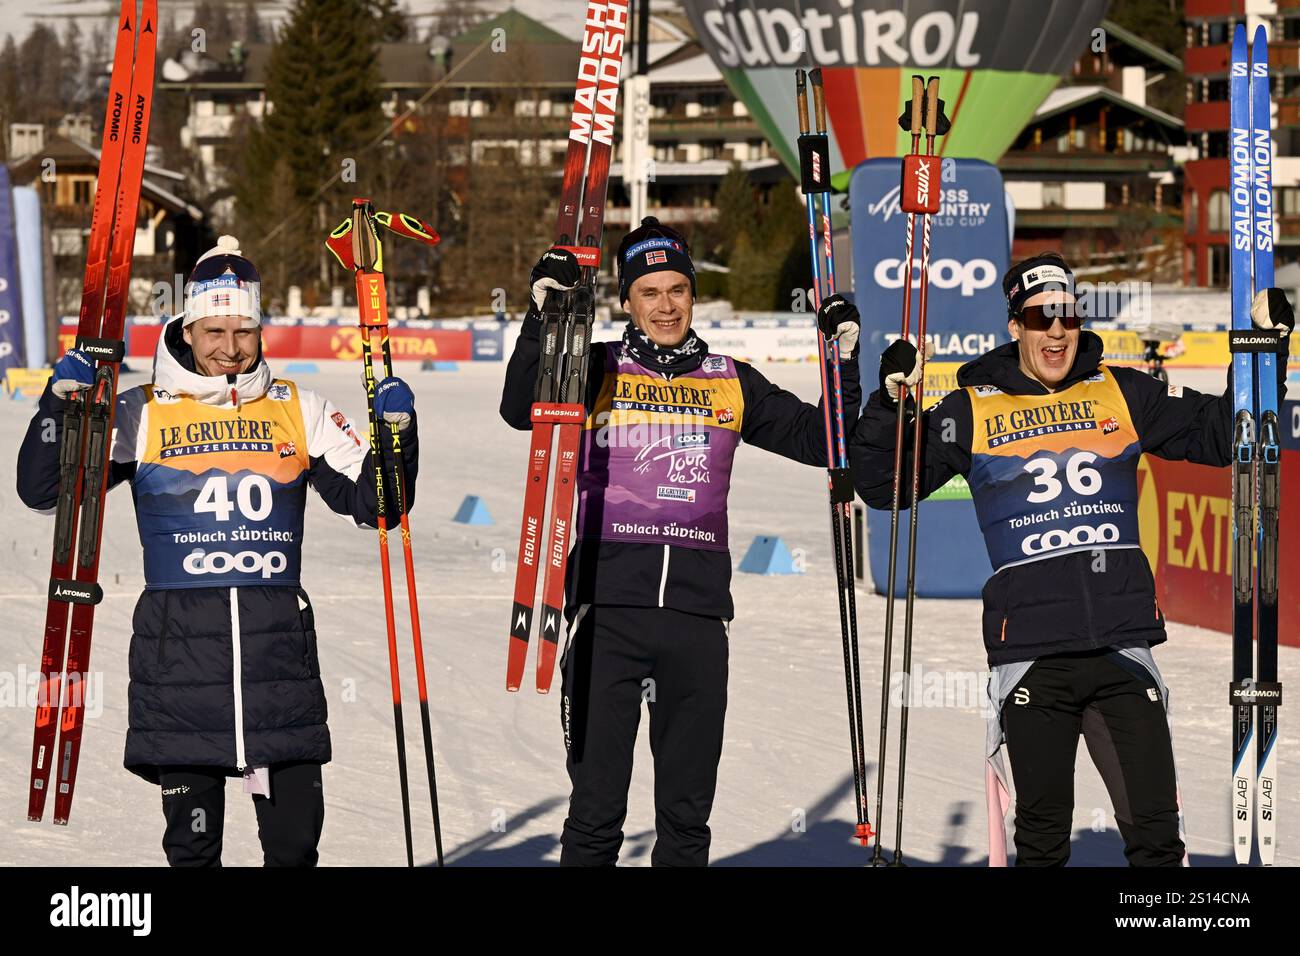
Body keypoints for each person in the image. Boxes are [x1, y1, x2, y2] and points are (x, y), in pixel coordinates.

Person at [849, 251, 1292, 866]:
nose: (1055, 331)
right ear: (1015, 326)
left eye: (1065, 315)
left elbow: (1222, 436)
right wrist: (889, 404)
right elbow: (884, 484)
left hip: (1121, 651)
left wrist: (1262, 352)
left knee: (1157, 839)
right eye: (1039, 318)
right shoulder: (970, 408)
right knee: (1042, 845)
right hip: (1032, 659)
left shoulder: (1123, 390)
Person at [17, 236, 420, 866]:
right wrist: (58, 408)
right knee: (194, 851)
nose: (229, 350)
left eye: (244, 331)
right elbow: (44, 493)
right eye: (213, 331)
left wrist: (399, 437)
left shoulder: (297, 409)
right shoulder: (142, 413)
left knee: (293, 850)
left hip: (277, 670)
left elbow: (382, 505)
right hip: (180, 671)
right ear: (187, 325)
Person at [500, 217, 862, 866]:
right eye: (649, 292)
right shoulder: (596, 367)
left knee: (686, 823)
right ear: (626, 300)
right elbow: (522, 405)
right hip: (606, 616)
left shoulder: (730, 379)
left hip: (696, 623)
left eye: (677, 289)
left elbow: (827, 442)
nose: (665, 305)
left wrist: (843, 360)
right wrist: (542, 319)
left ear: (692, 292)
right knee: (595, 816)